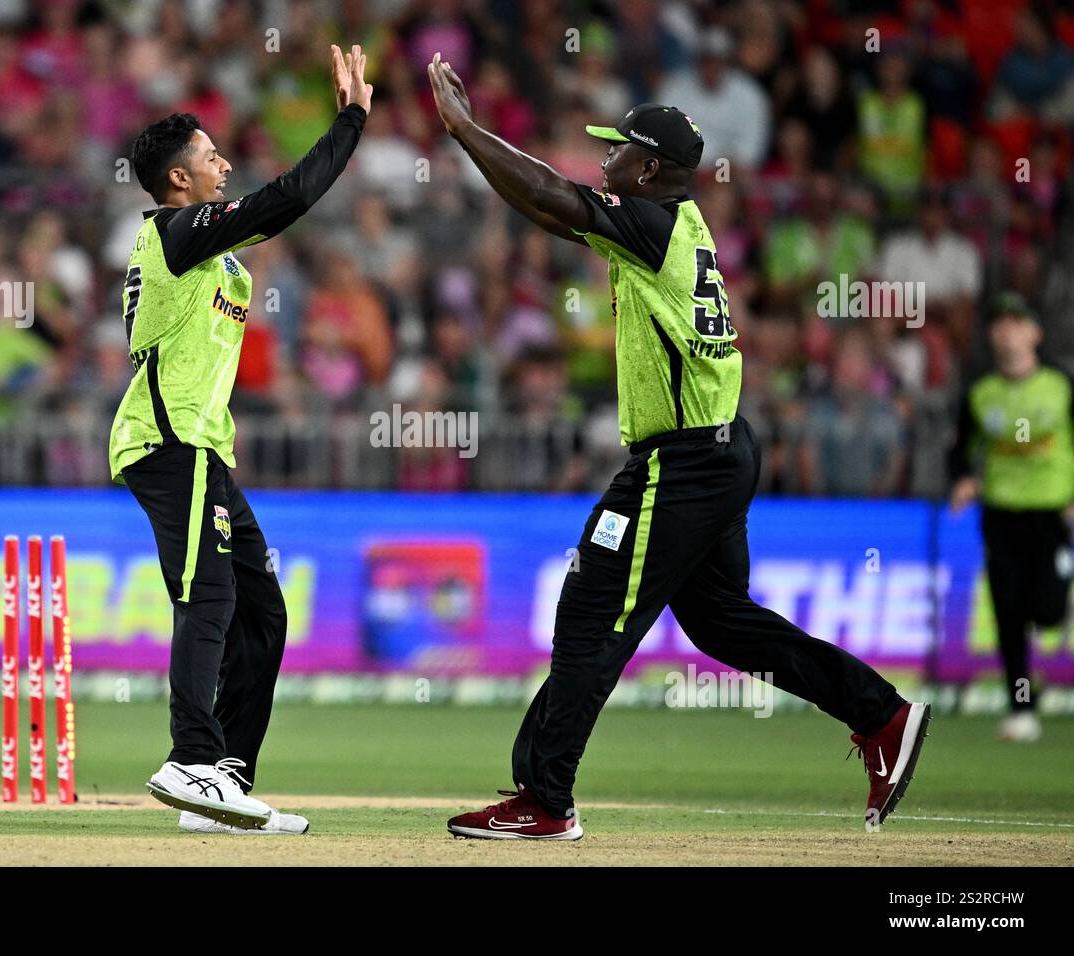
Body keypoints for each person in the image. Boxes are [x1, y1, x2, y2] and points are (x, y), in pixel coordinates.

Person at [427, 54, 929, 840]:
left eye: (616, 148)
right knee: (721, 623)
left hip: (683, 463)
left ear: (648, 166)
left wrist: (464, 129)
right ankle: (882, 714)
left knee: (593, 606)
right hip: (719, 451)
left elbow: (553, 194)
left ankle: (545, 799)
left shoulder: (652, 224)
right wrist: (489, 151)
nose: (604, 158)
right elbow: (552, 210)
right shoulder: (674, 222)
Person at [112, 44, 372, 834]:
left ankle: (222, 782)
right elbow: (286, 199)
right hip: (166, 442)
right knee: (210, 596)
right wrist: (351, 120)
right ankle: (190, 758)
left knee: (263, 614)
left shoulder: (215, 259)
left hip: (204, 448)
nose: (224, 163)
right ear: (177, 181)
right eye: (209, 156)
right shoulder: (175, 233)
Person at [949, 293, 1074, 743]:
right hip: (1000, 515)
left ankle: (1057, 606)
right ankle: (1021, 706)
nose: (1007, 331)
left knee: (1047, 609)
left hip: (1050, 514)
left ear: (1035, 333)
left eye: (1017, 322)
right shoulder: (981, 394)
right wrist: (963, 480)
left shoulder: (1060, 387)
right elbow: (960, 450)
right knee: (1007, 613)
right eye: (999, 323)